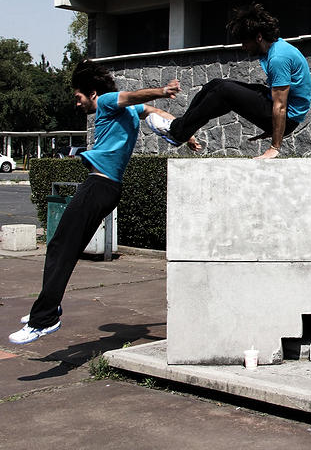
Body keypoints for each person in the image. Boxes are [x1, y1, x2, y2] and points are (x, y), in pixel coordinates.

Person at [9, 61, 197, 344]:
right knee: (63, 246)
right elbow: (154, 112)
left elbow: (134, 96)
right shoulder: (129, 111)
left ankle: (44, 318)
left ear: (93, 93)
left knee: (61, 247)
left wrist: (162, 90)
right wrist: (186, 133)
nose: (77, 103)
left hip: (98, 186)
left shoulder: (108, 102)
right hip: (106, 188)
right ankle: (48, 307)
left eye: (78, 97)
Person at [146, 3, 311, 159]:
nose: (243, 47)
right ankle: (180, 129)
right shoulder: (276, 48)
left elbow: (280, 106)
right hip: (282, 112)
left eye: (245, 42)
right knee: (216, 84)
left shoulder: (278, 58)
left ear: (259, 37)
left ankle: (177, 132)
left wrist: (275, 145)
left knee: (224, 91)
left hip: (288, 118)